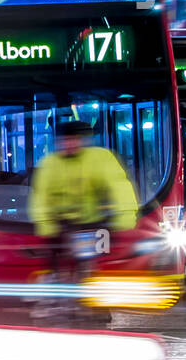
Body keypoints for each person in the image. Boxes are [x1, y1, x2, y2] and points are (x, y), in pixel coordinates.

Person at [29, 119, 140, 282]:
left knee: (93, 265)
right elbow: (41, 196)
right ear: (58, 142)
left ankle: (91, 290)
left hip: (90, 223)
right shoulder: (49, 164)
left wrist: (126, 215)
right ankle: (53, 293)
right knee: (55, 263)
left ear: (83, 140)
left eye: (74, 139)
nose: (70, 144)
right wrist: (45, 223)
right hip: (60, 223)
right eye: (65, 140)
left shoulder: (100, 158)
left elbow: (119, 185)